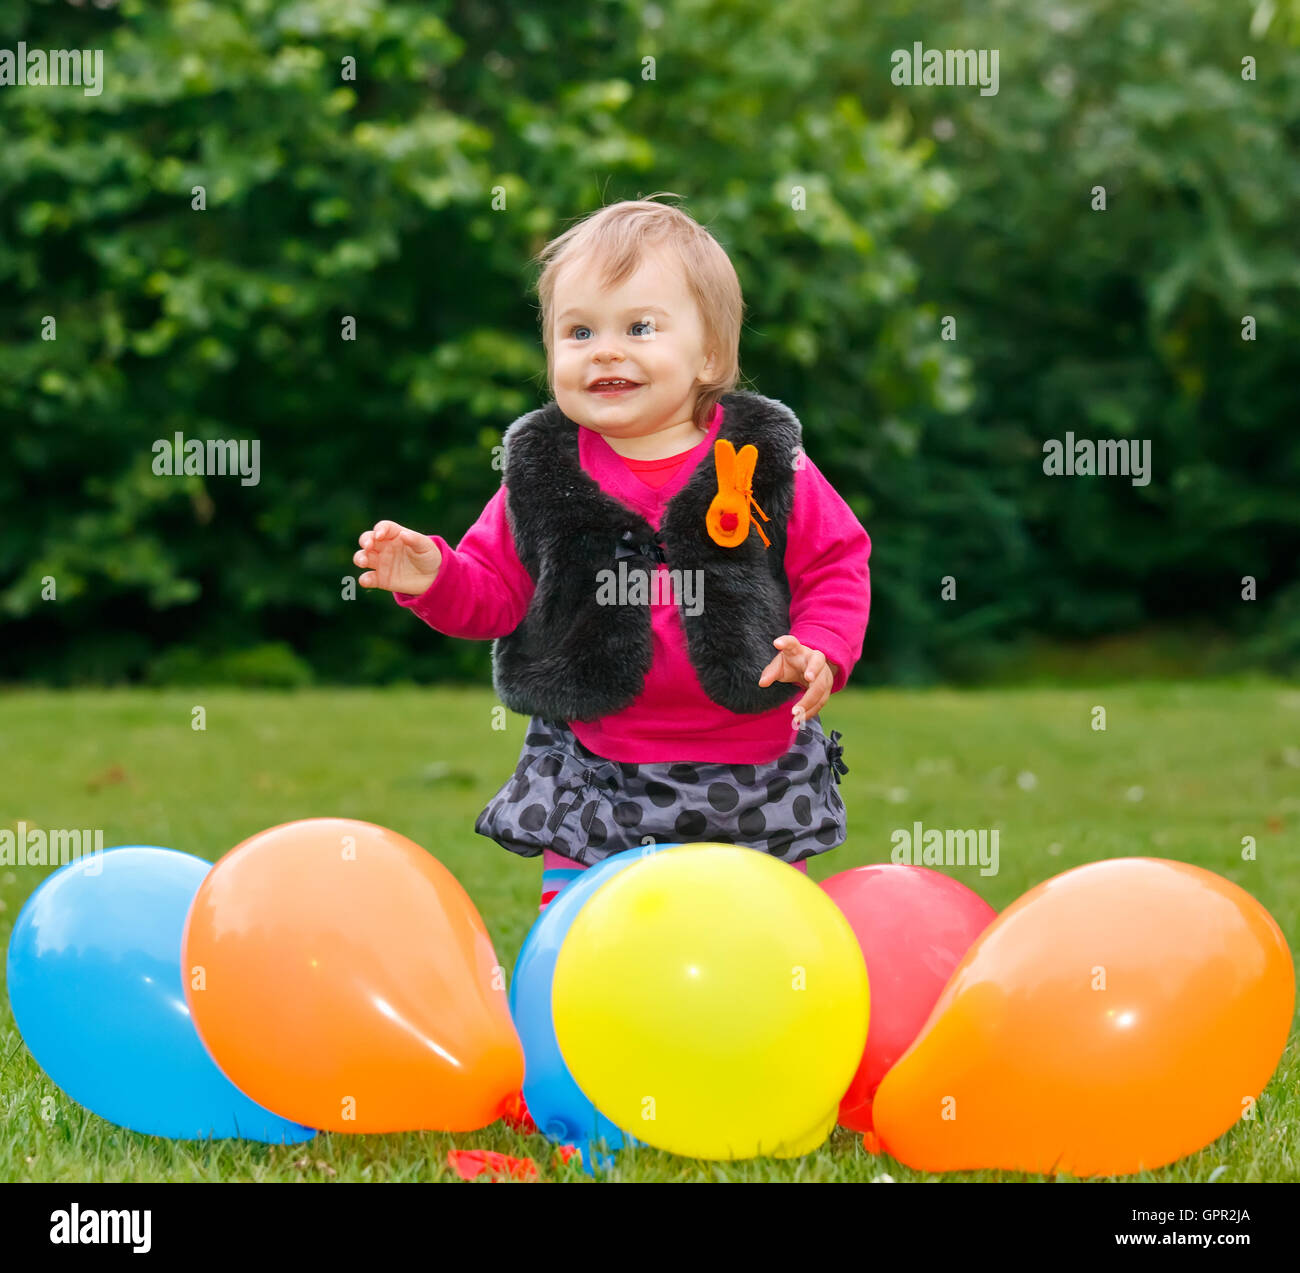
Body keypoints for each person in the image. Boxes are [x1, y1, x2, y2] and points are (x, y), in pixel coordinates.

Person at [355, 194, 871, 915]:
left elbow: (836, 562)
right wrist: (436, 575)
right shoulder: (541, 472)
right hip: (596, 766)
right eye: (578, 331)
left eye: (639, 327)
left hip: (751, 760)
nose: (605, 349)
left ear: (710, 356)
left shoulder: (765, 460)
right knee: (586, 935)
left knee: (754, 938)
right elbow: (498, 591)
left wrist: (819, 646)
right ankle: (573, 1019)